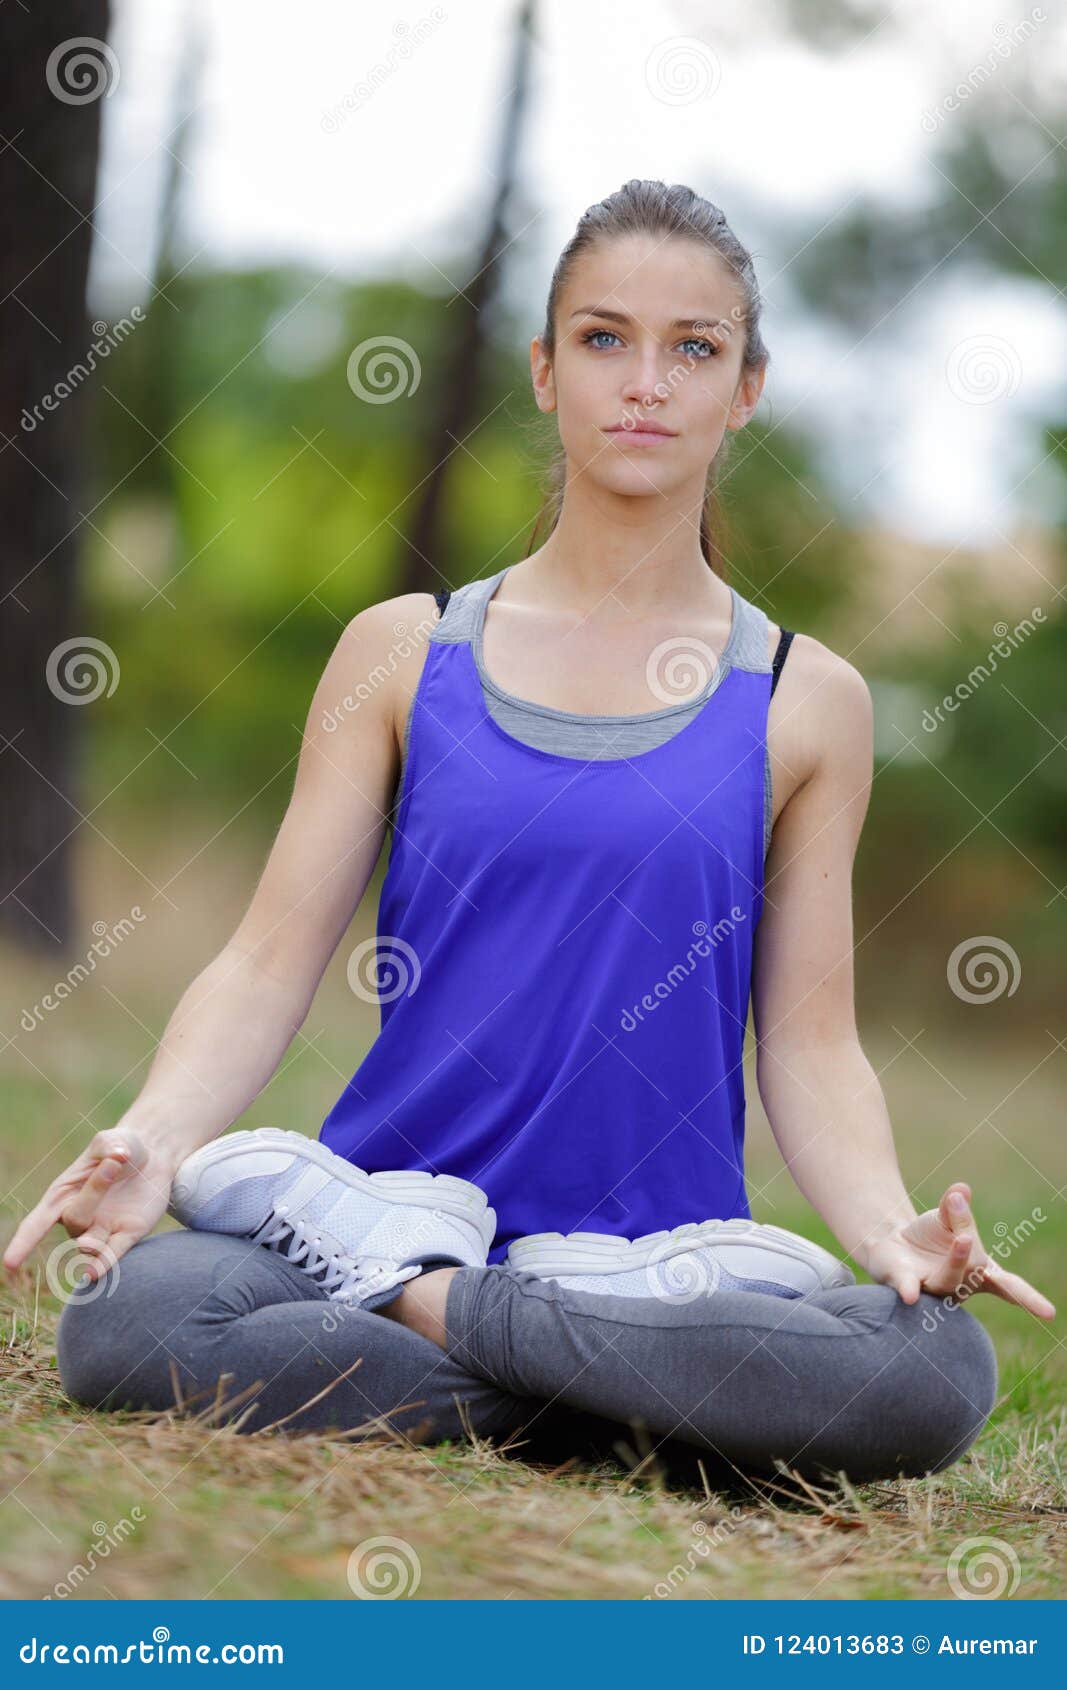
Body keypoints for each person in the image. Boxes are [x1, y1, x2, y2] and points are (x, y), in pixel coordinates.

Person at [4, 181, 1054, 1489]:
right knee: (129, 1319)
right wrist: (153, 1142)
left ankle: (473, 1346)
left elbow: (811, 1040)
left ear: (747, 389)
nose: (647, 382)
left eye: (695, 347)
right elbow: (268, 960)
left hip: (657, 1270)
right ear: (547, 372)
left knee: (935, 1369)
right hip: (375, 1225)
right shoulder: (403, 653)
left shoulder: (804, 699)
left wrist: (888, 1227)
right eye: (605, 339)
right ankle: (616, 1403)